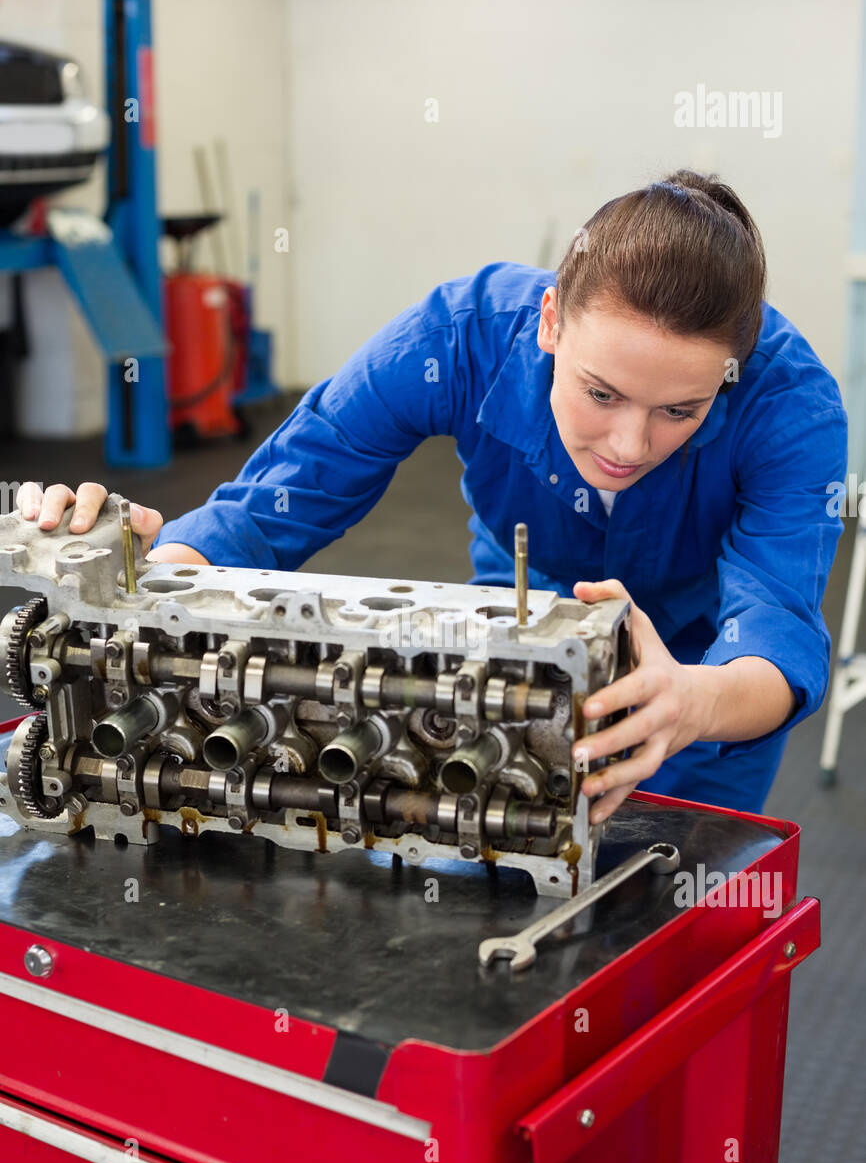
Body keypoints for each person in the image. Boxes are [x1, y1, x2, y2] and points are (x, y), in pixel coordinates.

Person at [17, 169, 847, 824]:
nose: (630, 446)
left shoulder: (793, 409)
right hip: (513, 648)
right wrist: (138, 576)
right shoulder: (457, 337)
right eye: (600, 394)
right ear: (551, 322)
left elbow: (776, 635)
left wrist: (693, 702)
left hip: (693, 690)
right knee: (481, 882)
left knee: (671, 935)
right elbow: (276, 503)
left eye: (680, 412)